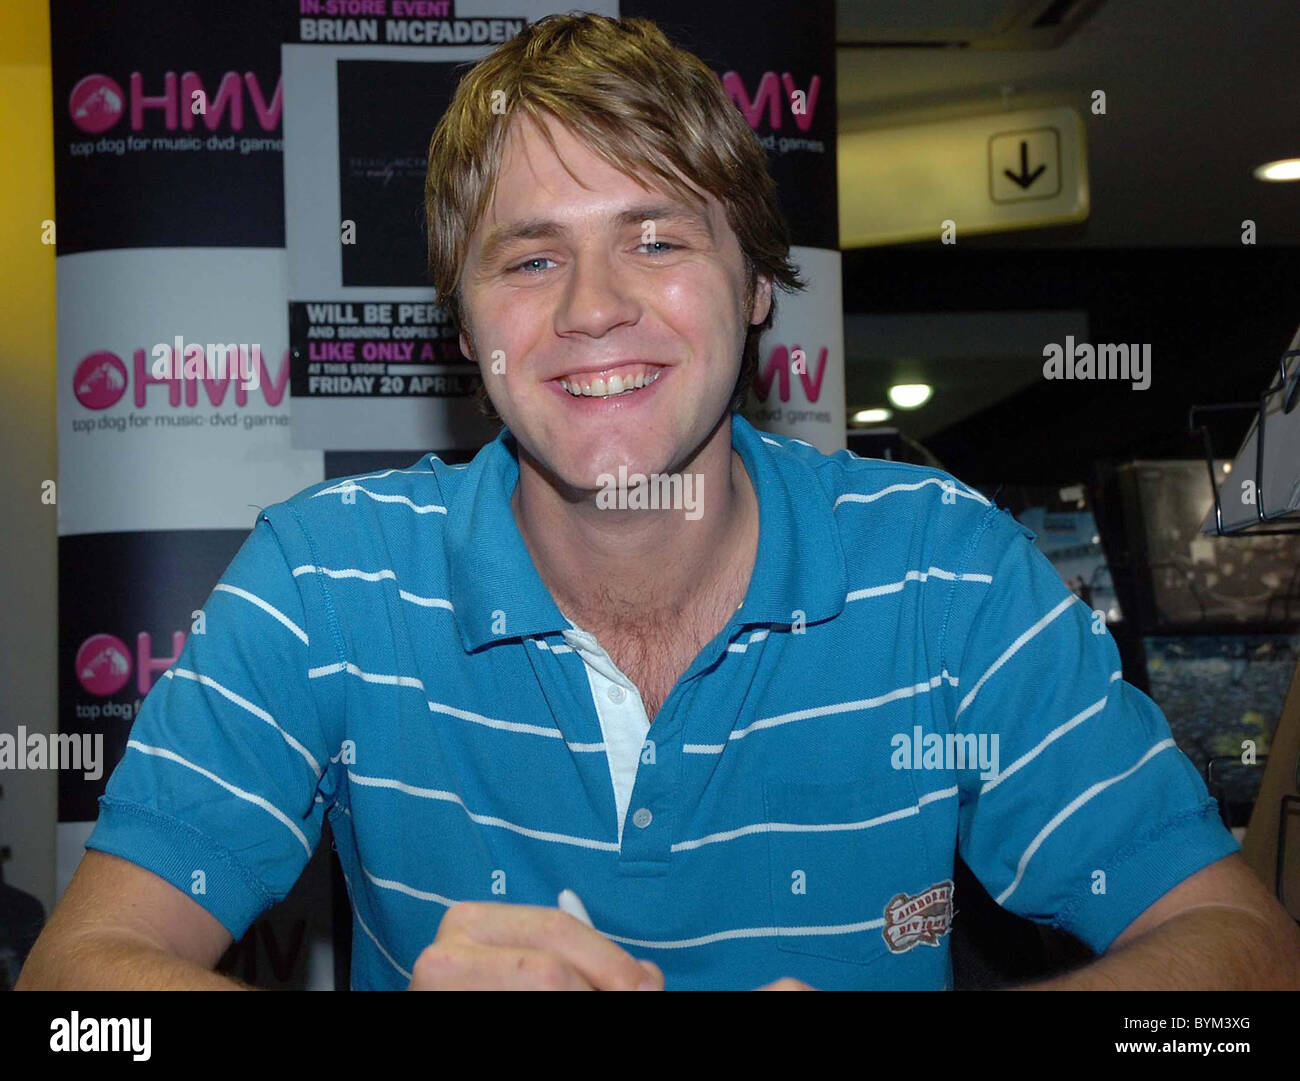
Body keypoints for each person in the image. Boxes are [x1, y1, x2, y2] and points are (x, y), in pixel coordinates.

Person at [20, 12, 1300, 991]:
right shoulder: (325, 581)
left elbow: (1239, 950)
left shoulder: (944, 572)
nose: (591, 309)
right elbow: (82, 994)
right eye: (529, 257)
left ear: (754, 284)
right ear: (464, 325)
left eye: (656, 237)